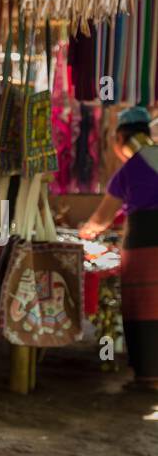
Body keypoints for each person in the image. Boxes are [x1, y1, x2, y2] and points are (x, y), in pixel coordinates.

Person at [80, 105, 158, 391]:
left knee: (143, 307)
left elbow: (100, 219)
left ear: (122, 137)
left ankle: (149, 378)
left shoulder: (132, 168)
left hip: (144, 243)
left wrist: (84, 232)